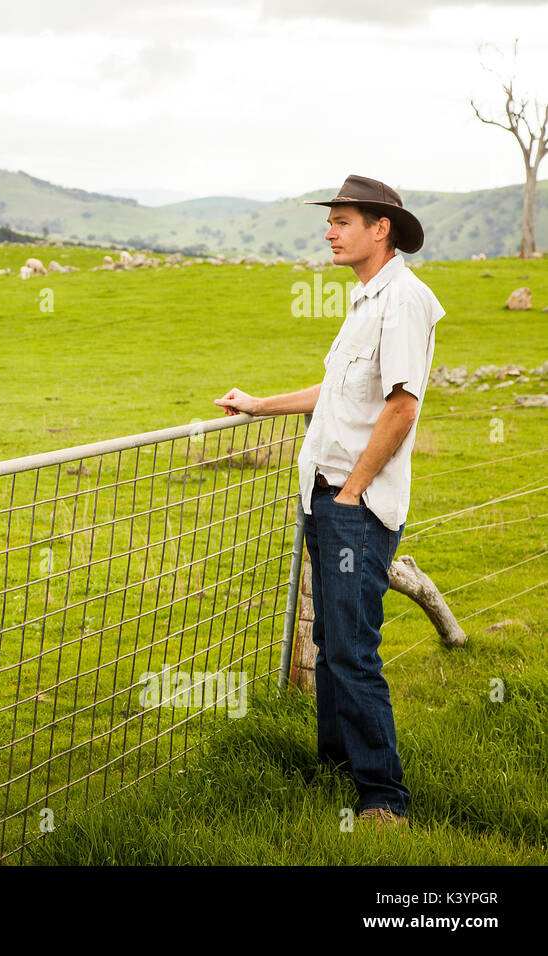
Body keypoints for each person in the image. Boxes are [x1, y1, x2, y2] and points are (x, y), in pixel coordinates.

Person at [214, 174, 444, 830]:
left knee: (351, 648)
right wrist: (260, 403)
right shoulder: (368, 300)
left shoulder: (403, 301)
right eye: (332, 220)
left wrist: (349, 492)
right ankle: (336, 767)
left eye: (342, 220)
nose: (330, 231)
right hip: (330, 498)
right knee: (331, 639)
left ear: (381, 229)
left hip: (355, 507)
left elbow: (401, 407)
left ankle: (382, 799)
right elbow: (338, 392)